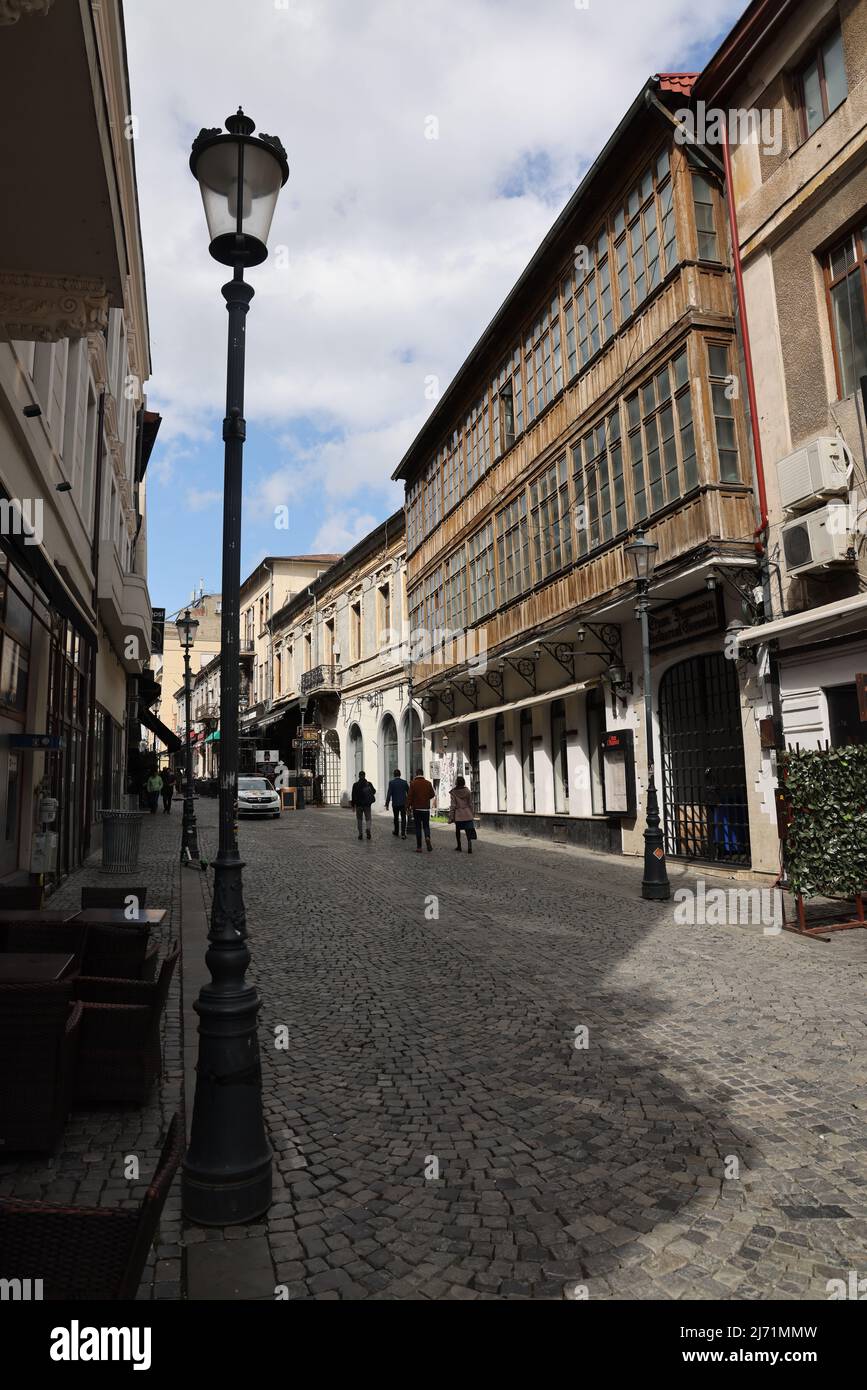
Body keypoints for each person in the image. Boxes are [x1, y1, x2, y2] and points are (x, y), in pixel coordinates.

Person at [407, 767, 435, 853]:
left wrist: (408, 806)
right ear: (422, 774)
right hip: (425, 809)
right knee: (426, 826)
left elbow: (410, 796)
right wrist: (426, 798)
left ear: (416, 774)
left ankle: (419, 847)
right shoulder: (428, 783)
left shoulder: (413, 783)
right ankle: (427, 837)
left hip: (416, 808)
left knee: (418, 827)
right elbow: (432, 794)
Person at [449, 776, 476, 854]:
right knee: (468, 830)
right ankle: (469, 845)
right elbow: (470, 803)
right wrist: (472, 813)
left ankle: (459, 846)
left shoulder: (453, 792)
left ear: (457, 783)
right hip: (467, 813)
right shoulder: (467, 791)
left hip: (458, 814)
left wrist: (451, 816)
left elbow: (453, 805)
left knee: (458, 830)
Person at [350, 770, 376, 841]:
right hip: (367, 805)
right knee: (368, 818)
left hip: (359, 805)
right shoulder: (368, 784)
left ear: (359, 776)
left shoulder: (355, 785)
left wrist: (353, 805)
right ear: (364, 776)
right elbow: (374, 791)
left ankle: (360, 834)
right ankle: (368, 829)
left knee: (359, 820)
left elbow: (353, 795)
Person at [385, 767, 409, 838]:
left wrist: (387, 803)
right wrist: (409, 803)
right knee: (403, 818)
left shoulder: (391, 783)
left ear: (394, 775)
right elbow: (409, 792)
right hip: (403, 803)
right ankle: (403, 833)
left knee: (396, 818)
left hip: (395, 803)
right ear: (400, 774)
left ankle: (396, 831)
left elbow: (389, 793)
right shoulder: (404, 782)